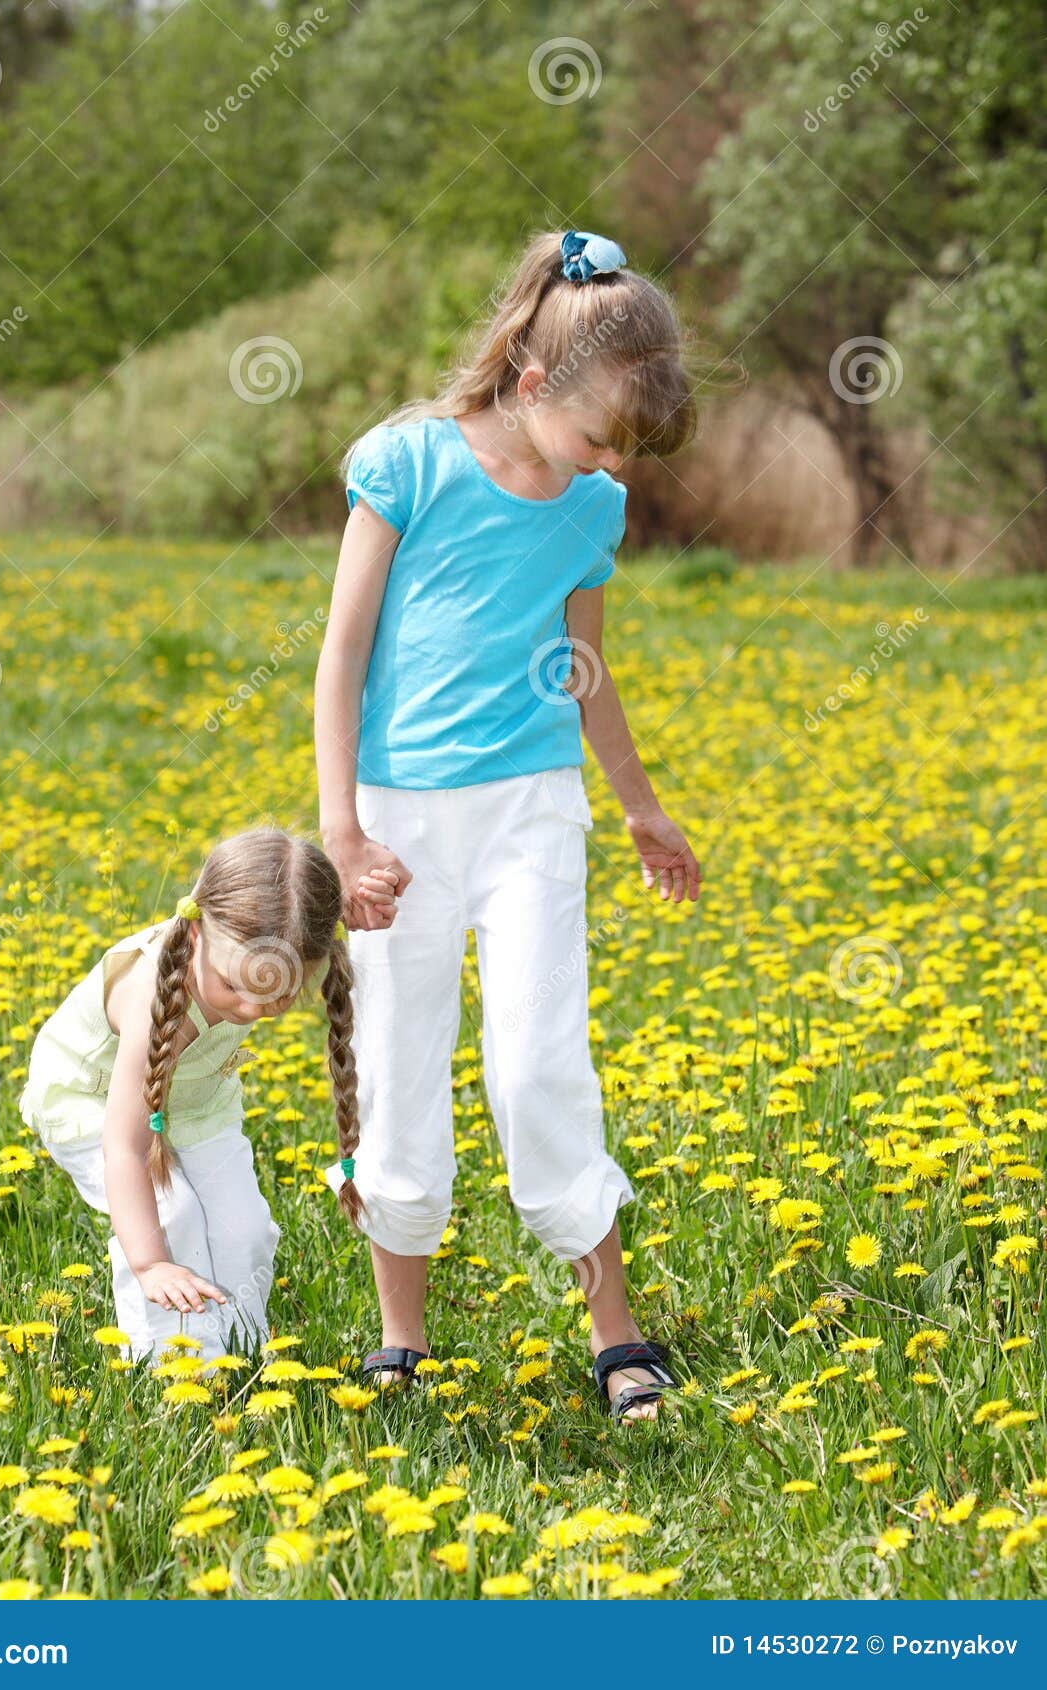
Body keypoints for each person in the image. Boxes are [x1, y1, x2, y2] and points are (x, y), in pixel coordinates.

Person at [314, 228, 702, 1424]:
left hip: (535, 812)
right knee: (398, 1064)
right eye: (602, 433)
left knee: (540, 1064)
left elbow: (583, 667)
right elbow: (342, 654)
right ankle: (401, 1339)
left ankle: (616, 1330)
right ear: (535, 384)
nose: (612, 459)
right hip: (401, 821)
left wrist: (639, 805)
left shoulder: (590, 508)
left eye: (626, 448)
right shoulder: (410, 466)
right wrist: (342, 833)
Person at [18, 829, 358, 1365]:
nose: (249, 1010)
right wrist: (151, 1263)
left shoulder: (248, 955)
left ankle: (238, 1351)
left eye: (277, 996)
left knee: (243, 1227)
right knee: (173, 1218)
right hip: (95, 1100)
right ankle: (173, 1364)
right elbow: (124, 1149)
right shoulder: (151, 998)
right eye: (234, 987)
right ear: (196, 933)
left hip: (196, 1101)